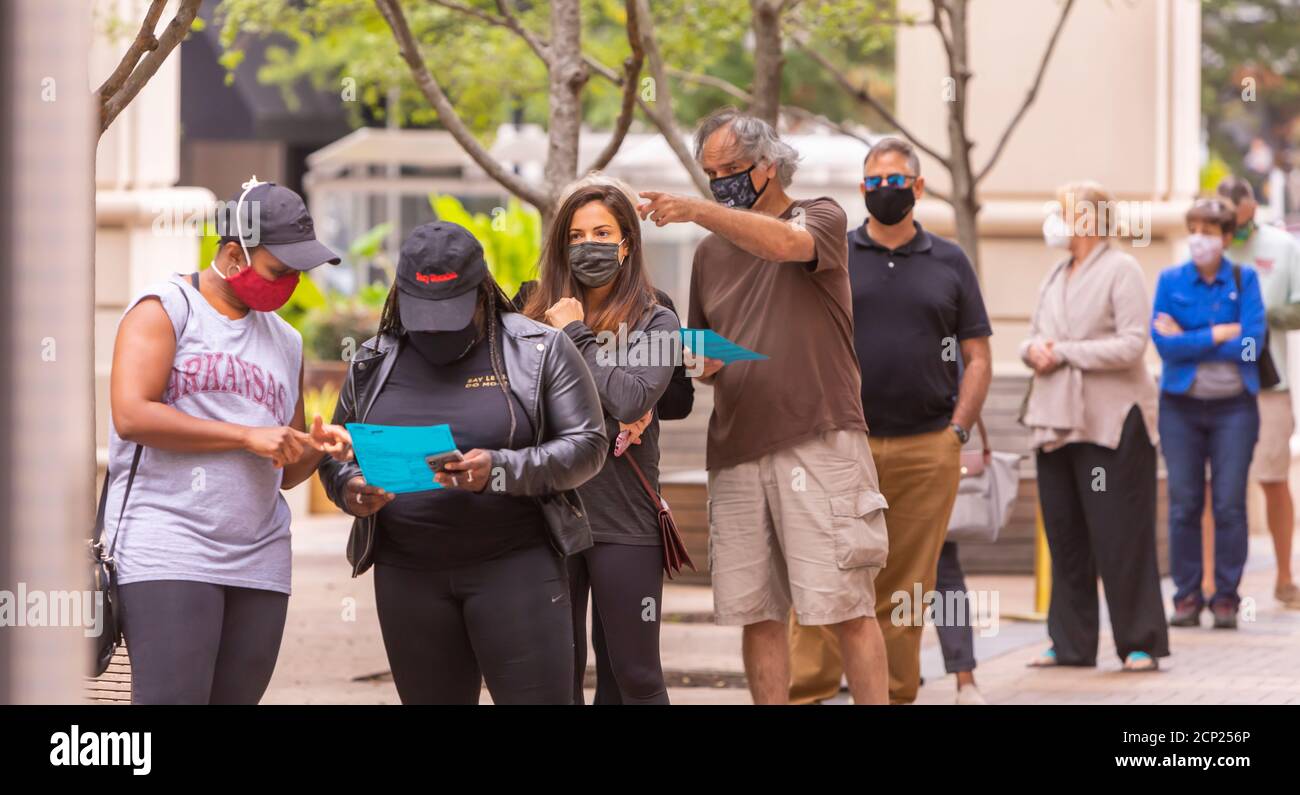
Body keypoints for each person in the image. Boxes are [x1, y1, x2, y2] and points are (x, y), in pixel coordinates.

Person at [637, 106, 889, 705]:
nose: (720, 181)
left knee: (846, 604)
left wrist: (699, 210)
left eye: (731, 169)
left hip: (820, 439)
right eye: (710, 173)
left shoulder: (820, 216)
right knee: (758, 612)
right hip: (737, 449)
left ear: (769, 165)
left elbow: (786, 246)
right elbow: (703, 361)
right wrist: (697, 359)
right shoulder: (708, 256)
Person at [317, 221, 607, 704]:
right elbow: (339, 453)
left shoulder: (540, 349)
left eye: (448, 312)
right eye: (421, 312)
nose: (433, 327)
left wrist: (499, 468)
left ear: (481, 293)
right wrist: (351, 487)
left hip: (515, 569)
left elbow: (587, 444)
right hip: (408, 575)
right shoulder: (372, 359)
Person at [106, 178, 353, 704]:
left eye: (296, 274)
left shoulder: (285, 340)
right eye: (278, 270)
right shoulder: (165, 308)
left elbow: (283, 469)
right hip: (169, 545)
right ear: (234, 253)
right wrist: (244, 435)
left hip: (259, 558)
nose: (289, 283)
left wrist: (313, 446)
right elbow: (131, 415)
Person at [788, 137, 993, 705]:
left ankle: (894, 694)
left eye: (896, 181)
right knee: (822, 574)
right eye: (875, 183)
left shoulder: (950, 260)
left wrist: (957, 433)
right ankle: (809, 693)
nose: (886, 191)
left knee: (906, 588)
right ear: (861, 189)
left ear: (919, 187)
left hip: (928, 450)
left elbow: (977, 355)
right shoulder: (833, 253)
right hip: (839, 445)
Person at [518, 175, 683, 705]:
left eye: (602, 232)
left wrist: (574, 334)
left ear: (626, 243)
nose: (588, 244)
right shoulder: (529, 312)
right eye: (576, 234)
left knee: (632, 676)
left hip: (624, 515)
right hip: (547, 516)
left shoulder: (655, 320)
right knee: (552, 678)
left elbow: (631, 398)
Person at [1020, 180, 1168, 671]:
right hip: (1055, 423)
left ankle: (1139, 641)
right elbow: (1034, 335)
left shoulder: (1122, 269)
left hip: (1110, 425)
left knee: (1121, 534)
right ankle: (1070, 643)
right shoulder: (1056, 273)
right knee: (1065, 535)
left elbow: (1132, 345)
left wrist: (1061, 352)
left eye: (1063, 211)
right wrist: (1033, 350)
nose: (1055, 220)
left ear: (1090, 220)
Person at [1152, 197, 1265, 630]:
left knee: (1229, 505)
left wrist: (1191, 338)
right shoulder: (1170, 279)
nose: (1200, 238)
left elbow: (1254, 346)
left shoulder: (1244, 279)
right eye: (1194, 229)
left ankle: (1226, 598)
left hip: (1235, 409)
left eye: (1210, 231)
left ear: (1225, 237)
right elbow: (1163, 346)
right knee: (1184, 504)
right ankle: (1186, 596)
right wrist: (1219, 333)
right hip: (1179, 408)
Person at [1218, 176, 1300, 609]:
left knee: (1272, 479)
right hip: (1216, 382)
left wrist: (1263, 315)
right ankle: (1215, 585)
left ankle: (1286, 578)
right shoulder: (1211, 245)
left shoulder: (1283, 246)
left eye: (1246, 220)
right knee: (1217, 486)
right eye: (1233, 223)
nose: (1240, 231)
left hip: (1271, 383)